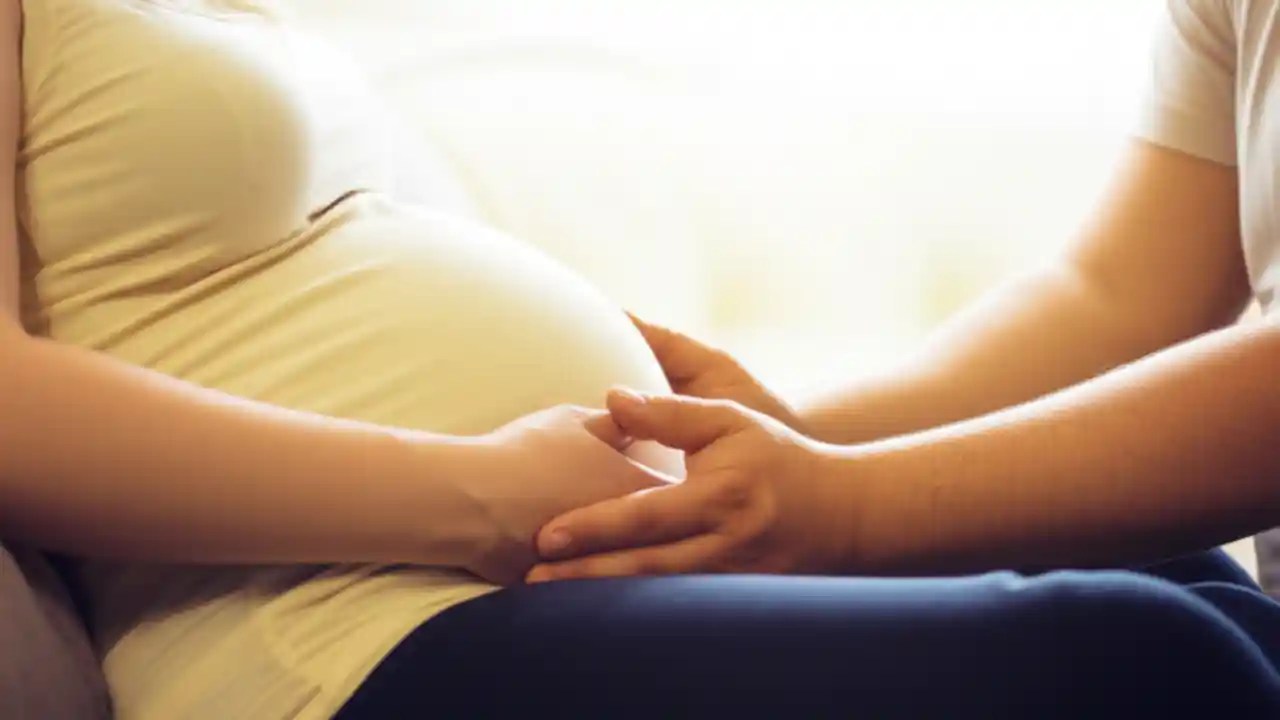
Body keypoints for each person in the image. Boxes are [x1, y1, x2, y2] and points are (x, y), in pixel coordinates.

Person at [1, 0, 1277, 718]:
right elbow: (1112, 297)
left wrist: (790, 469)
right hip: (336, 635)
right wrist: (476, 493)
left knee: (1183, 589)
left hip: (502, 582)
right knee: (1134, 660)